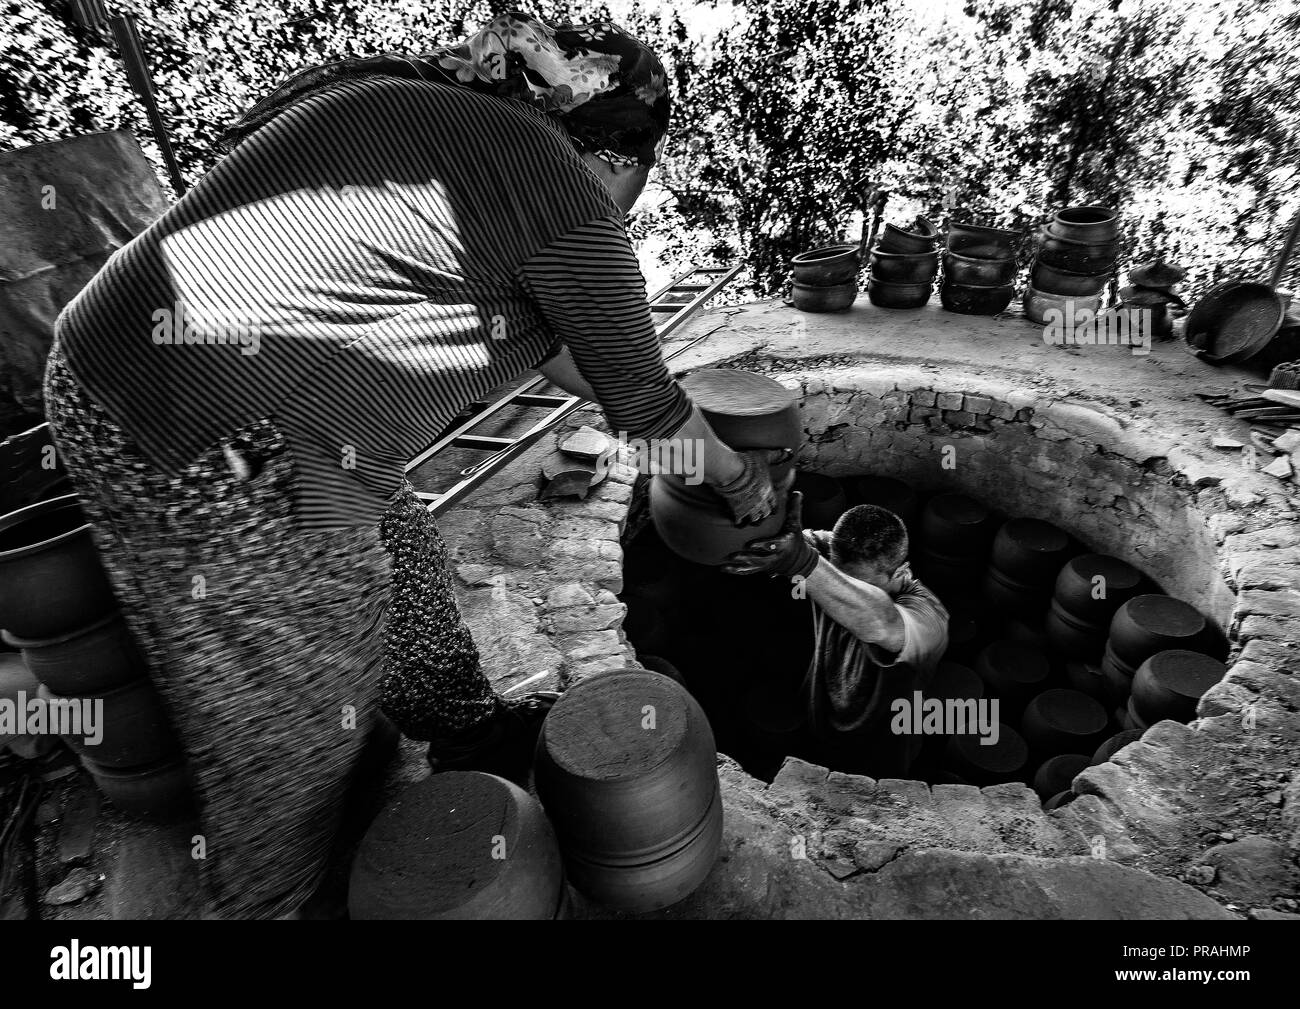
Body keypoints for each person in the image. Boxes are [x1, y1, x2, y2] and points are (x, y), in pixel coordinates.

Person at [42, 12, 783, 919]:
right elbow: (644, 407)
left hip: (153, 373)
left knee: (406, 562)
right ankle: (278, 894)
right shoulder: (564, 190)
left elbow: (577, 364)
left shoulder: (424, 113)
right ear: (623, 155)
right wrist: (739, 480)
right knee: (300, 710)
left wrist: (654, 407)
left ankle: (462, 723)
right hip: (211, 427)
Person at [722, 493, 948, 777]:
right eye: (840, 577)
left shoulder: (929, 618)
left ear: (901, 572)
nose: (842, 588)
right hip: (817, 723)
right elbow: (790, 543)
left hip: (879, 756)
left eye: (858, 585)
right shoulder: (830, 552)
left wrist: (802, 562)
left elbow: (881, 624)